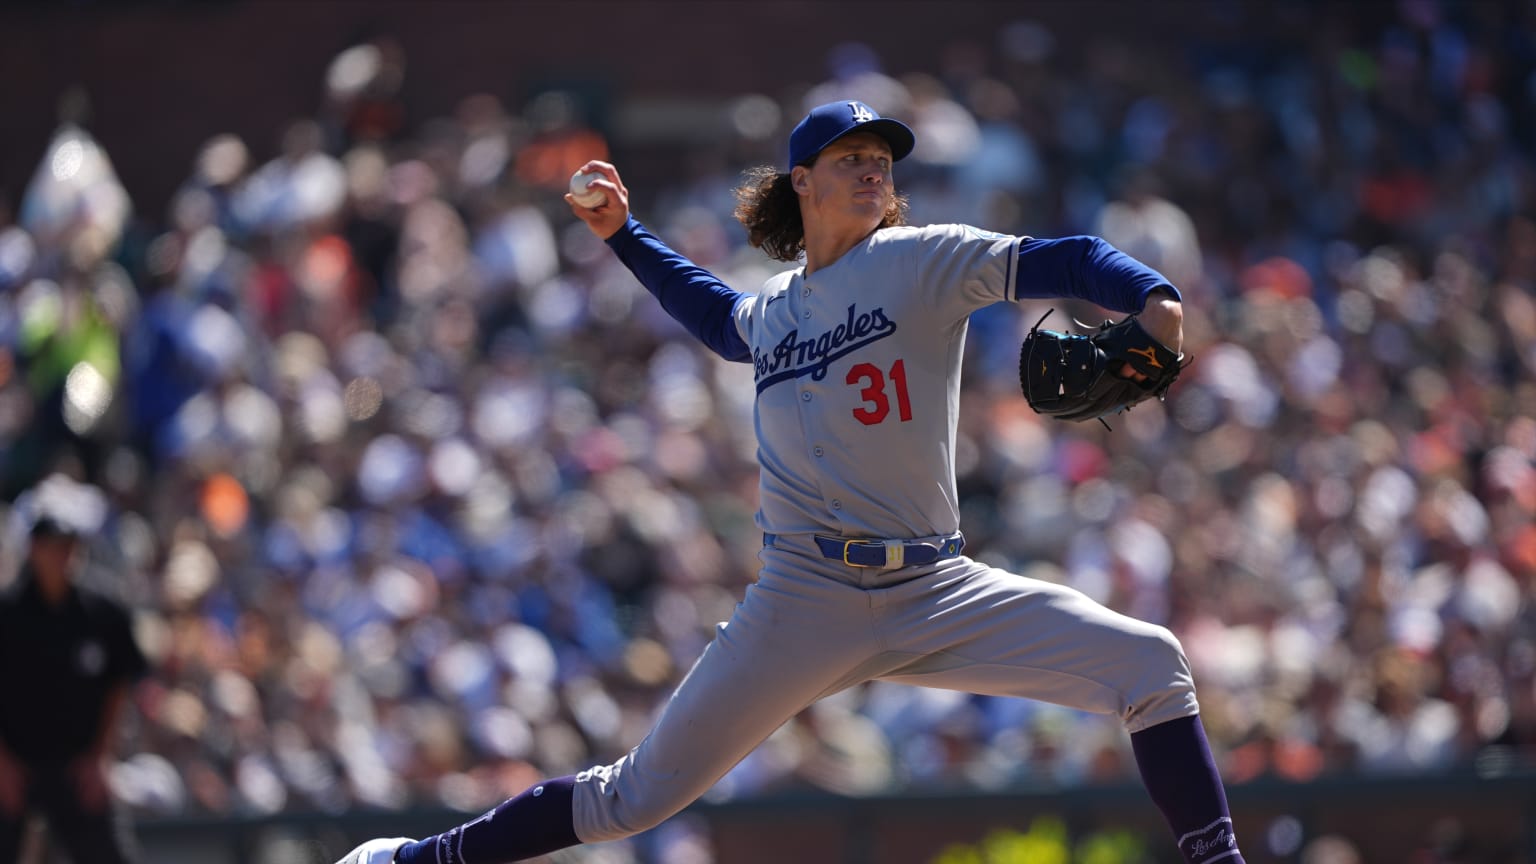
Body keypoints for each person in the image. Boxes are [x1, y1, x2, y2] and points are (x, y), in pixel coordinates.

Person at [338, 100, 1245, 864]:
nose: (872, 171)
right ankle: (418, 861)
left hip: (936, 584)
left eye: (882, 159)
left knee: (1151, 665)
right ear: (800, 182)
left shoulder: (924, 258)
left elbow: (1073, 254)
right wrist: (625, 235)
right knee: (635, 798)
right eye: (849, 157)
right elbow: (717, 317)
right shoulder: (773, 310)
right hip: (805, 594)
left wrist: (1153, 296)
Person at [0, 511, 147, 863]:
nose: (62, 557)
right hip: (14, 768)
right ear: (33, 550)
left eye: (69, 548)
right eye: (52, 548)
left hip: (78, 768)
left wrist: (101, 755)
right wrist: (0, 761)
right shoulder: (6, 613)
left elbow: (120, 679)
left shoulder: (103, 611)